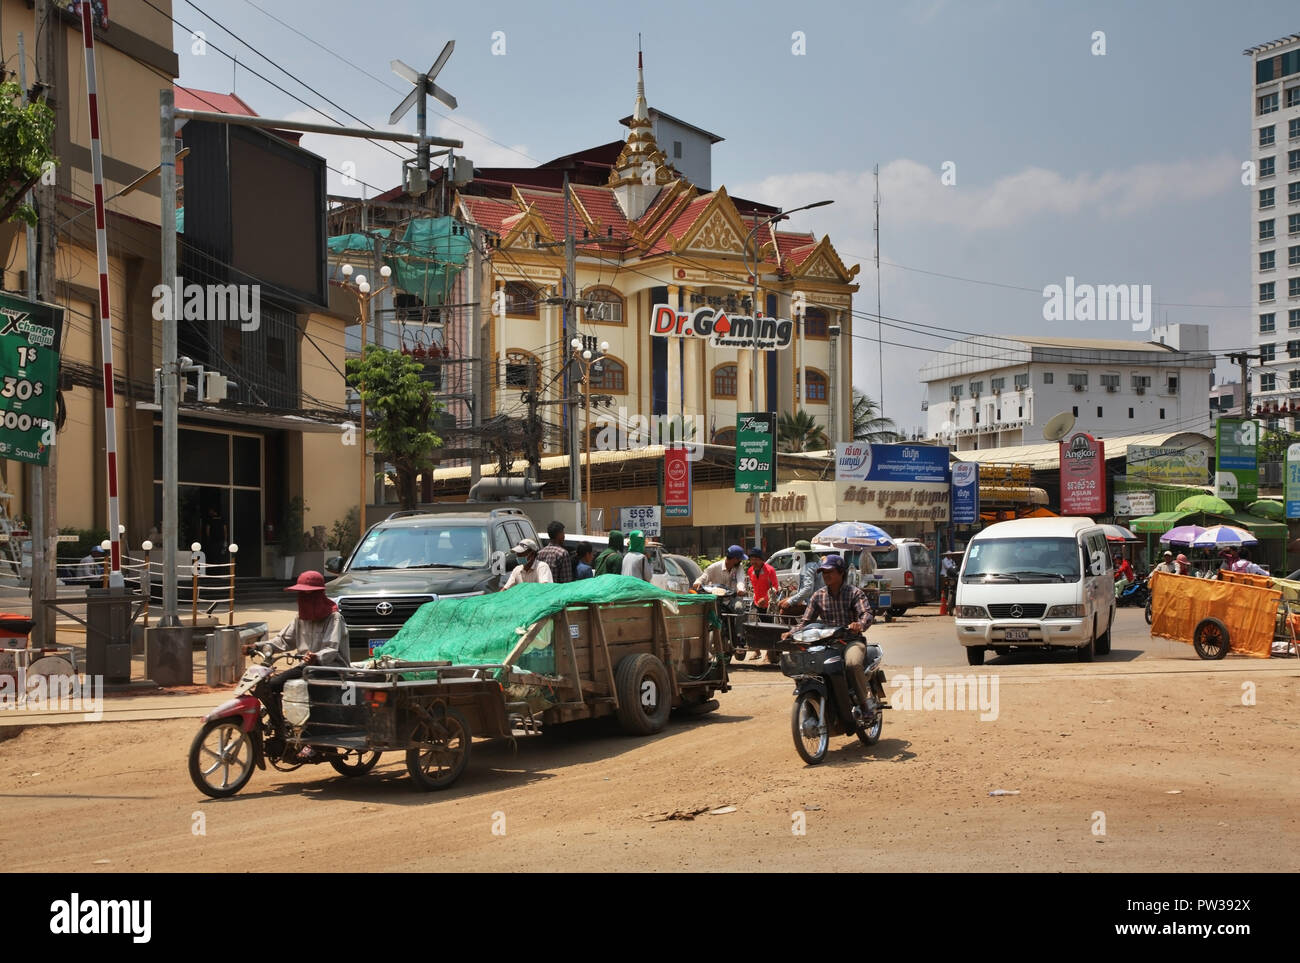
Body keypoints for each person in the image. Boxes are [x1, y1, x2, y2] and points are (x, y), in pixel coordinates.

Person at [250, 570, 350, 759]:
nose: (304, 599)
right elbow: (281, 642)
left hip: (333, 669)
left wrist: (316, 656)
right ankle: (282, 729)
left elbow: (331, 650)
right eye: (301, 594)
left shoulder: (334, 618)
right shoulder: (299, 619)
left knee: (310, 687)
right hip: (306, 668)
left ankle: (313, 740)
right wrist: (256, 646)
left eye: (309, 595)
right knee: (271, 685)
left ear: (319, 595)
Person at [782, 554, 874, 715]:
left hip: (851, 641)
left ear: (841, 573)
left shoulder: (854, 593)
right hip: (826, 644)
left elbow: (866, 614)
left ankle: (864, 703)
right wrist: (791, 633)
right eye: (823, 573)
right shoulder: (818, 596)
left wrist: (859, 625)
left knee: (852, 664)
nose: (826, 576)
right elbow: (805, 622)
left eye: (830, 572)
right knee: (808, 665)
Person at [779, 541, 824, 617]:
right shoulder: (818, 561)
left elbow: (808, 589)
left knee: (783, 611)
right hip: (817, 599)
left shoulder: (809, 566)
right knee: (781, 603)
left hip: (813, 603)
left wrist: (790, 601)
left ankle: (797, 628)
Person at [746, 546, 778, 612]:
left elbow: (775, 587)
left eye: (756, 559)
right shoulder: (750, 571)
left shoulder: (770, 570)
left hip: (769, 605)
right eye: (752, 559)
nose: (754, 562)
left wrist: (765, 599)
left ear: (761, 560)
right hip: (756, 604)